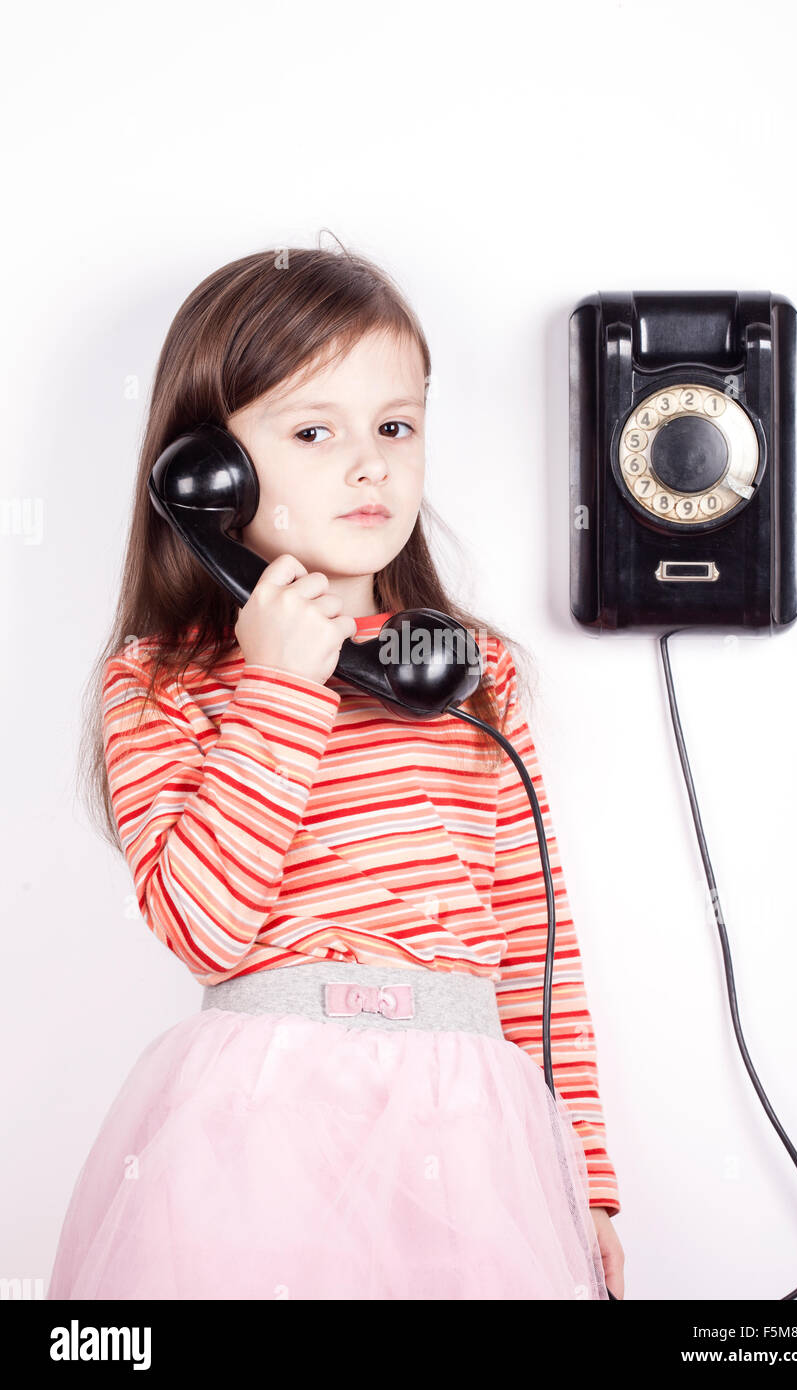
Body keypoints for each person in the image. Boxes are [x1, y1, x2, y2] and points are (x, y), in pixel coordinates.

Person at [47, 240, 625, 1300]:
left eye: (394, 426)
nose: (371, 465)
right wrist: (278, 690)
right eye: (314, 431)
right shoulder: (164, 682)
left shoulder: (467, 674)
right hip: (260, 1128)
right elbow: (203, 929)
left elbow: (540, 941)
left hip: (470, 1129)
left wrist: (584, 1172)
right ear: (203, 475)